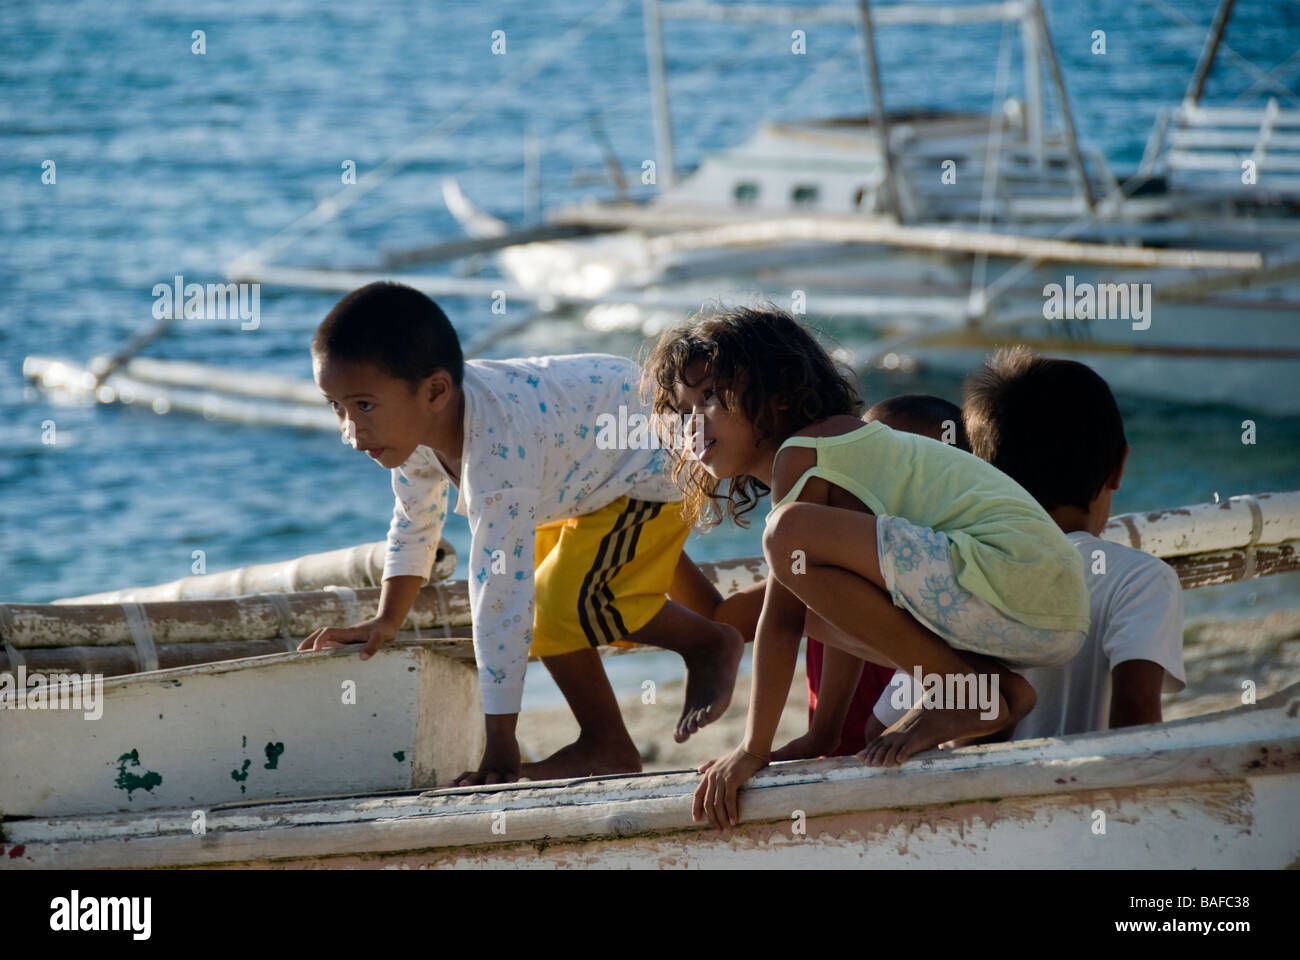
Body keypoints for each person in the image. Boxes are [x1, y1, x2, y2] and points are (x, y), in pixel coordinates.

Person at [644, 304, 1089, 835]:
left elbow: (780, 621)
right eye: (682, 408)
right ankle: (988, 690)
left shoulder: (806, 453)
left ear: (779, 392)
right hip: (1041, 604)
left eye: (711, 398)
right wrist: (822, 735)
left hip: (1014, 574)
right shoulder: (837, 454)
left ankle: (958, 689)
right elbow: (832, 607)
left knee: (786, 539)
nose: (694, 422)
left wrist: (751, 750)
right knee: (800, 572)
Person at [299, 281, 743, 785]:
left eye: (364, 406)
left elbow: (499, 598)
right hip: (580, 474)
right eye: (336, 407)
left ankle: (707, 643)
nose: (350, 433)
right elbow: (414, 521)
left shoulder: (495, 460)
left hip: (653, 460)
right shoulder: (415, 433)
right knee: (549, 596)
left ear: (436, 391)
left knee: (557, 600)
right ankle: (608, 744)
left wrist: (500, 750)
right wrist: (386, 620)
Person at [864, 349, 1185, 747]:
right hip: (1087, 802)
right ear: (1119, 467)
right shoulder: (1141, 579)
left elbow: (881, 730)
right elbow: (1137, 723)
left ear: (981, 471)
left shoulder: (961, 568)